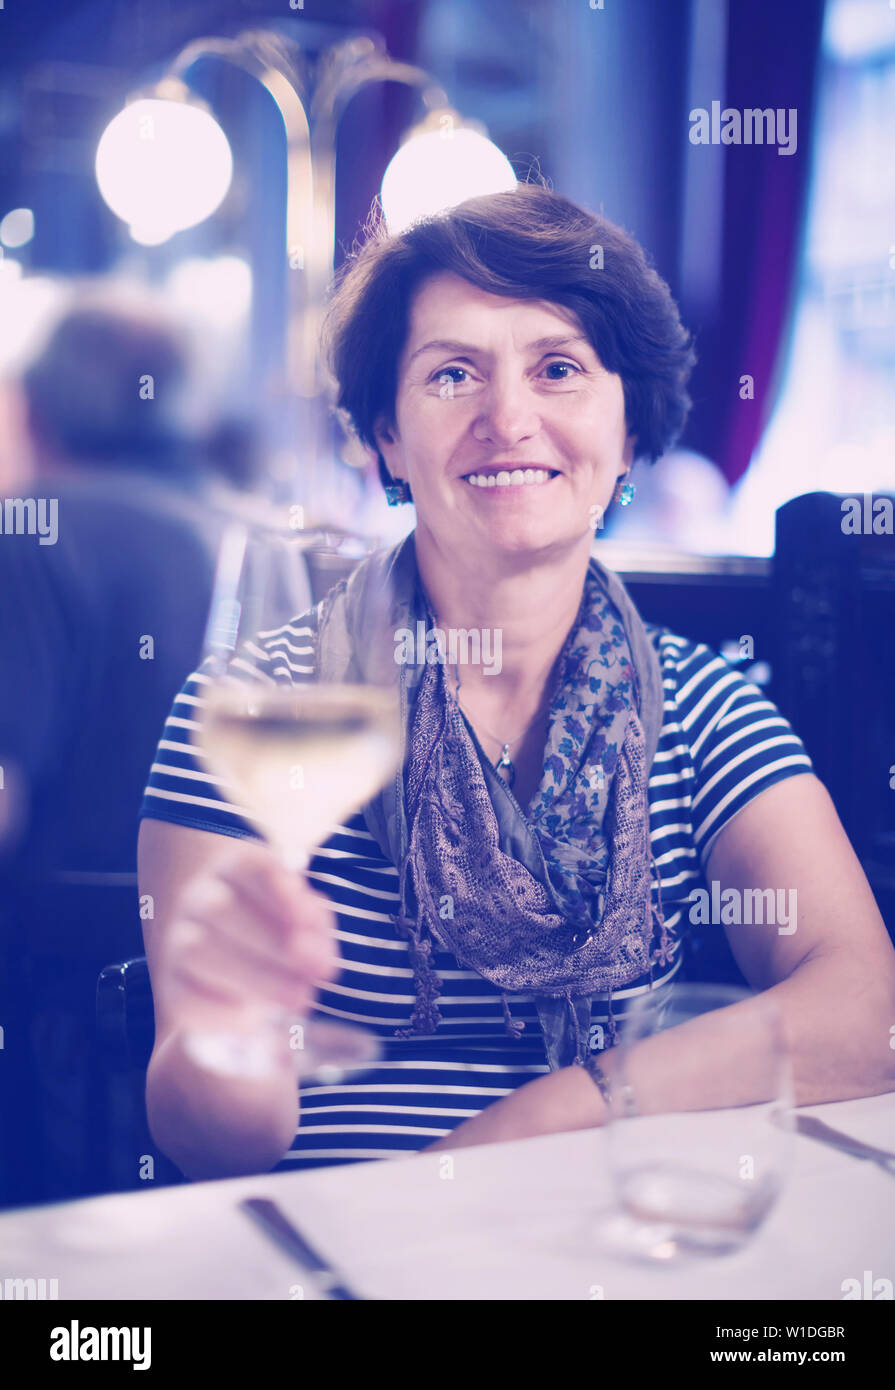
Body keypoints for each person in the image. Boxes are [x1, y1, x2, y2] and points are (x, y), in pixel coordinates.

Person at [137, 183, 895, 1181]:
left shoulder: (702, 709)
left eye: (558, 368)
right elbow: (210, 1145)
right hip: (338, 1236)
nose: (508, 416)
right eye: (452, 374)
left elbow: (867, 1014)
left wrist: (548, 1116)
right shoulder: (265, 711)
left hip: (607, 1238)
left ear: (627, 435)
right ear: (387, 441)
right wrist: (228, 1030)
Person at [0, 291, 223, 1205]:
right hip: (207, 994)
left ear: (35, 406)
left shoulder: (31, 531)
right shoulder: (239, 530)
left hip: (56, 1004)